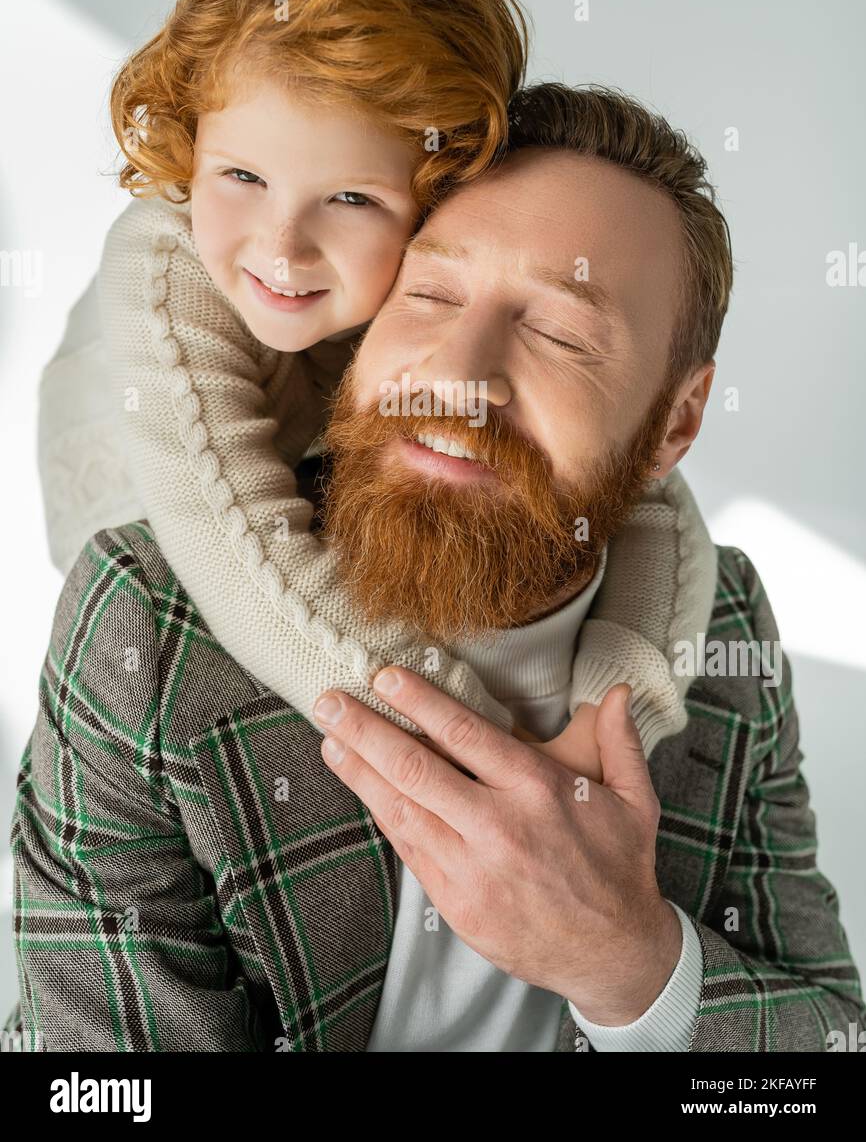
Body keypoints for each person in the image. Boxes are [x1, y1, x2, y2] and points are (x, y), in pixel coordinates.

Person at [8, 84, 863, 1051]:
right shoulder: (148, 625)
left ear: (676, 422)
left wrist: (630, 966)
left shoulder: (727, 622)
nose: (459, 372)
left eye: (560, 334)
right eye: (430, 293)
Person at [35, 0, 715, 783]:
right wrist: (483, 751)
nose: (282, 247)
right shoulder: (167, 274)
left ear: (441, 187)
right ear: (188, 149)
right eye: (240, 177)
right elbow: (238, 551)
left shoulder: (446, 269)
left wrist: (624, 712)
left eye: (351, 198)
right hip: (147, 496)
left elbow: (653, 499)